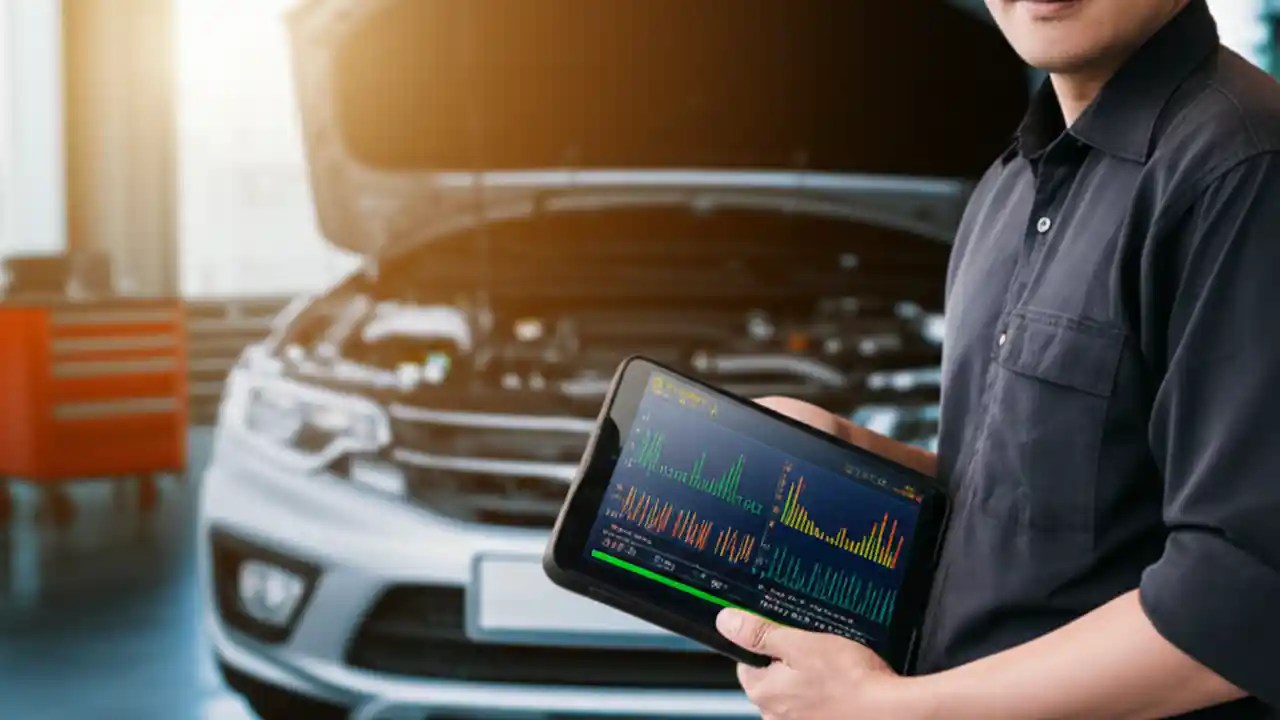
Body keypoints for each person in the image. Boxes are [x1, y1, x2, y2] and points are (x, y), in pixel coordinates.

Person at [714, 0, 1280, 717]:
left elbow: (1243, 589)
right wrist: (848, 456)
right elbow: (1044, 496)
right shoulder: (1010, 186)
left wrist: (890, 709)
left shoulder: (1245, 169)